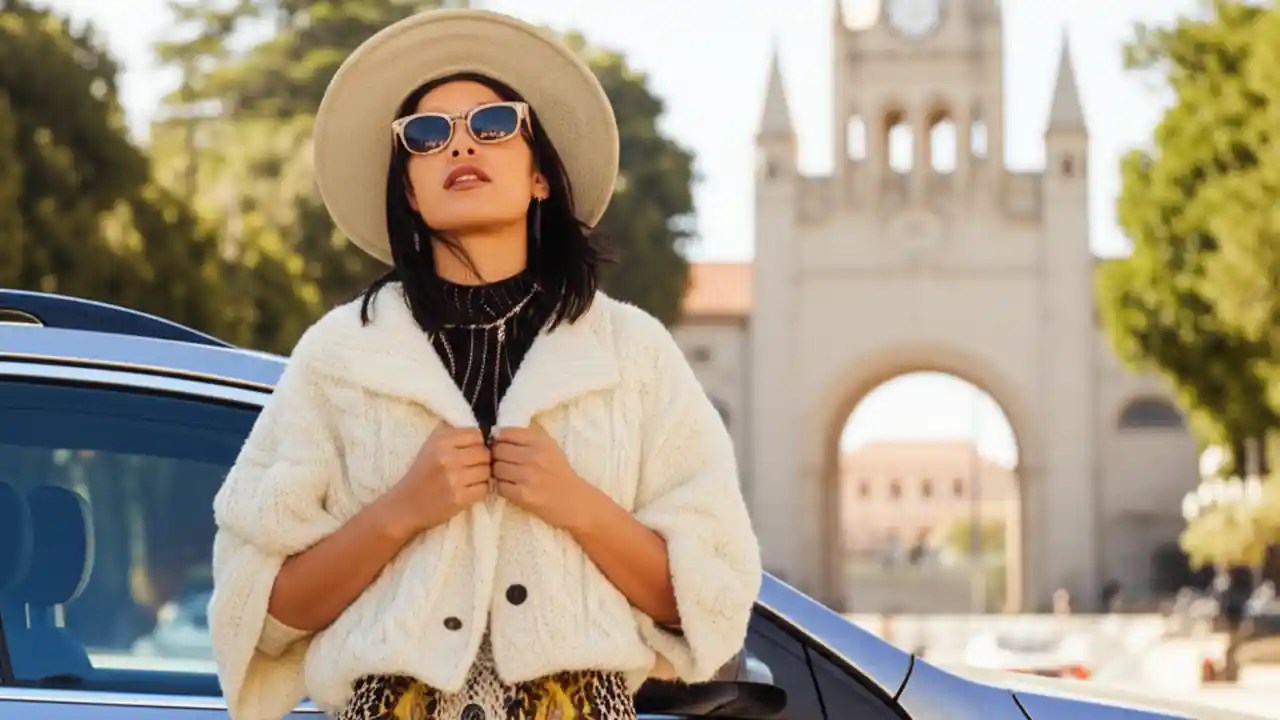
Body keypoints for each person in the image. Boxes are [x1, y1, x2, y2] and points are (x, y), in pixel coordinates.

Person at [206, 9, 762, 720]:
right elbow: (262, 609)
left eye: (494, 124)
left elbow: (709, 602)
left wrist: (577, 504)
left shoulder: (633, 352)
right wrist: (398, 513)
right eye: (428, 135)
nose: (459, 146)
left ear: (539, 177)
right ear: (409, 190)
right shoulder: (339, 356)